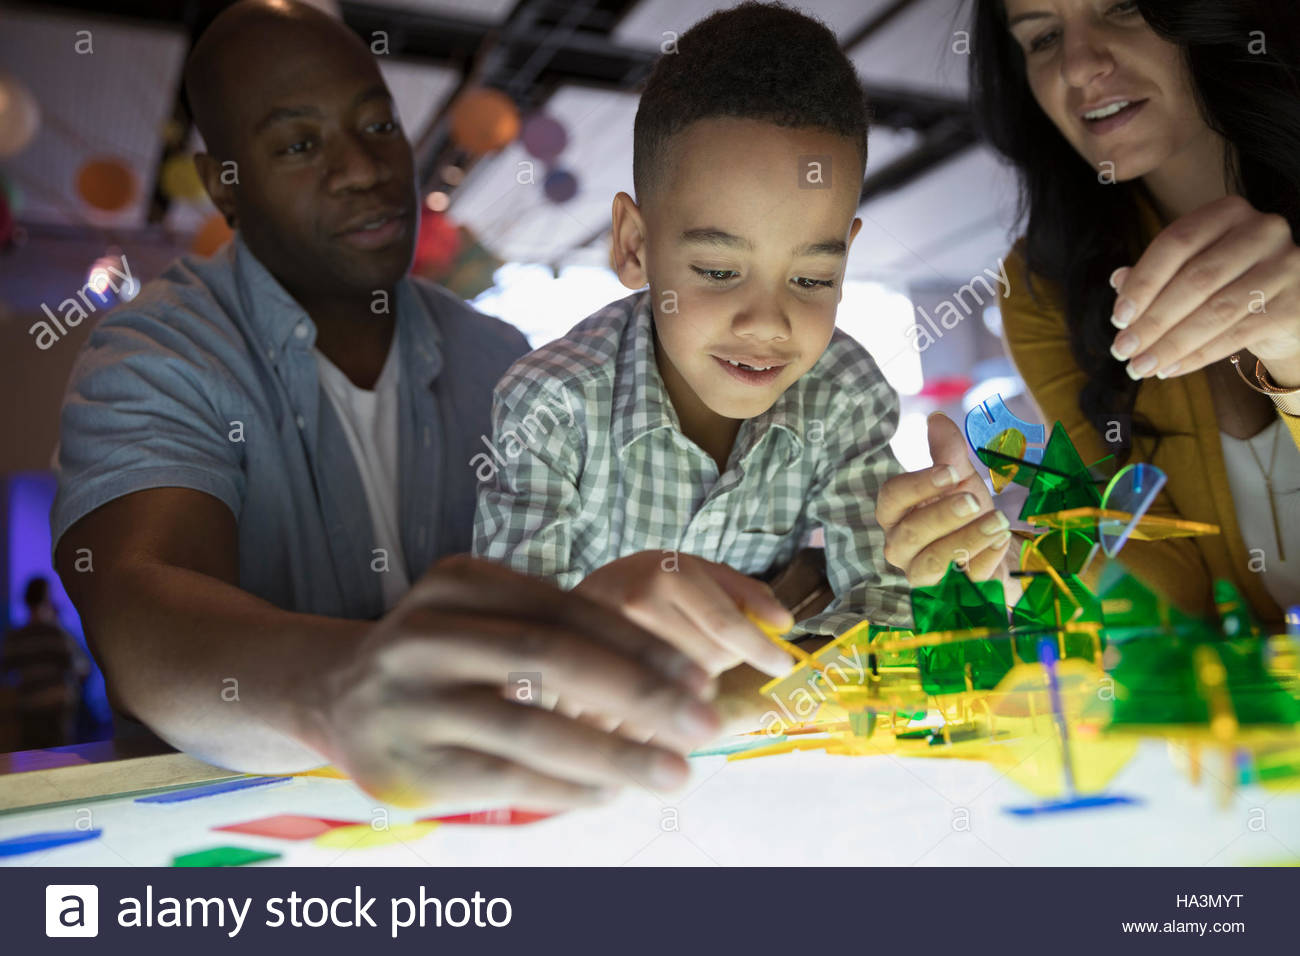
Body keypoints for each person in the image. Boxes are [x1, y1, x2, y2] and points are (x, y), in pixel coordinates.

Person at [51, 0, 771, 810]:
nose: (363, 168)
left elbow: (577, 567)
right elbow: (141, 606)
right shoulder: (156, 352)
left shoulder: (500, 358)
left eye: (379, 126)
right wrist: (335, 688)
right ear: (227, 186)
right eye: (297, 144)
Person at [473, 1, 913, 666]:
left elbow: (887, 609)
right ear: (634, 245)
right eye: (717, 270)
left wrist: (944, 560)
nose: (768, 323)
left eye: (813, 279)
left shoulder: (844, 395)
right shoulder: (552, 405)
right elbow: (511, 652)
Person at [876, 0, 1300, 625]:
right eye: (1044, 36)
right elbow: (1157, 594)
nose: (1079, 65)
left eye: (1125, 7)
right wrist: (1011, 567)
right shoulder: (1044, 287)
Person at [0, 577, 89, 750]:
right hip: (57, 706)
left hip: (28, 706)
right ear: (47, 598)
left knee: (34, 761)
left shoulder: (16, 637)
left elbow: (5, 670)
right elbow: (82, 667)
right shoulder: (57, 633)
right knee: (60, 758)